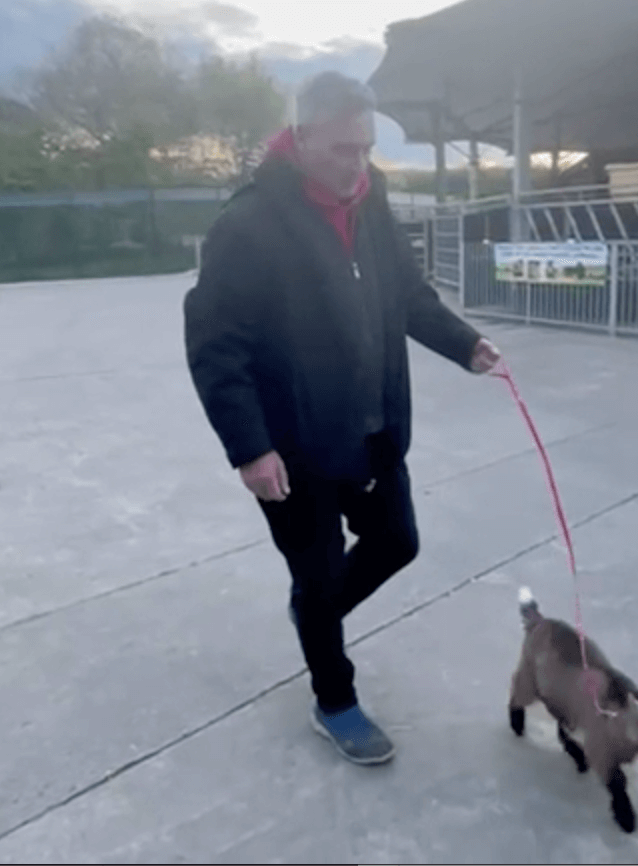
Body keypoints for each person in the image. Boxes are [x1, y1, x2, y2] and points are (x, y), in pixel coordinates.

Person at [183, 70, 502, 766]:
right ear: (301, 140)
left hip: (374, 426)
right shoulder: (249, 224)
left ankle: (313, 615)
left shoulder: (372, 199)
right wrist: (249, 448)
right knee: (321, 576)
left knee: (397, 541)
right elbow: (215, 345)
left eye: (365, 147)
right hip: (291, 444)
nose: (356, 165)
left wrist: (463, 343)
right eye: (340, 150)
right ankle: (335, 700)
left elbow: (407, 291)